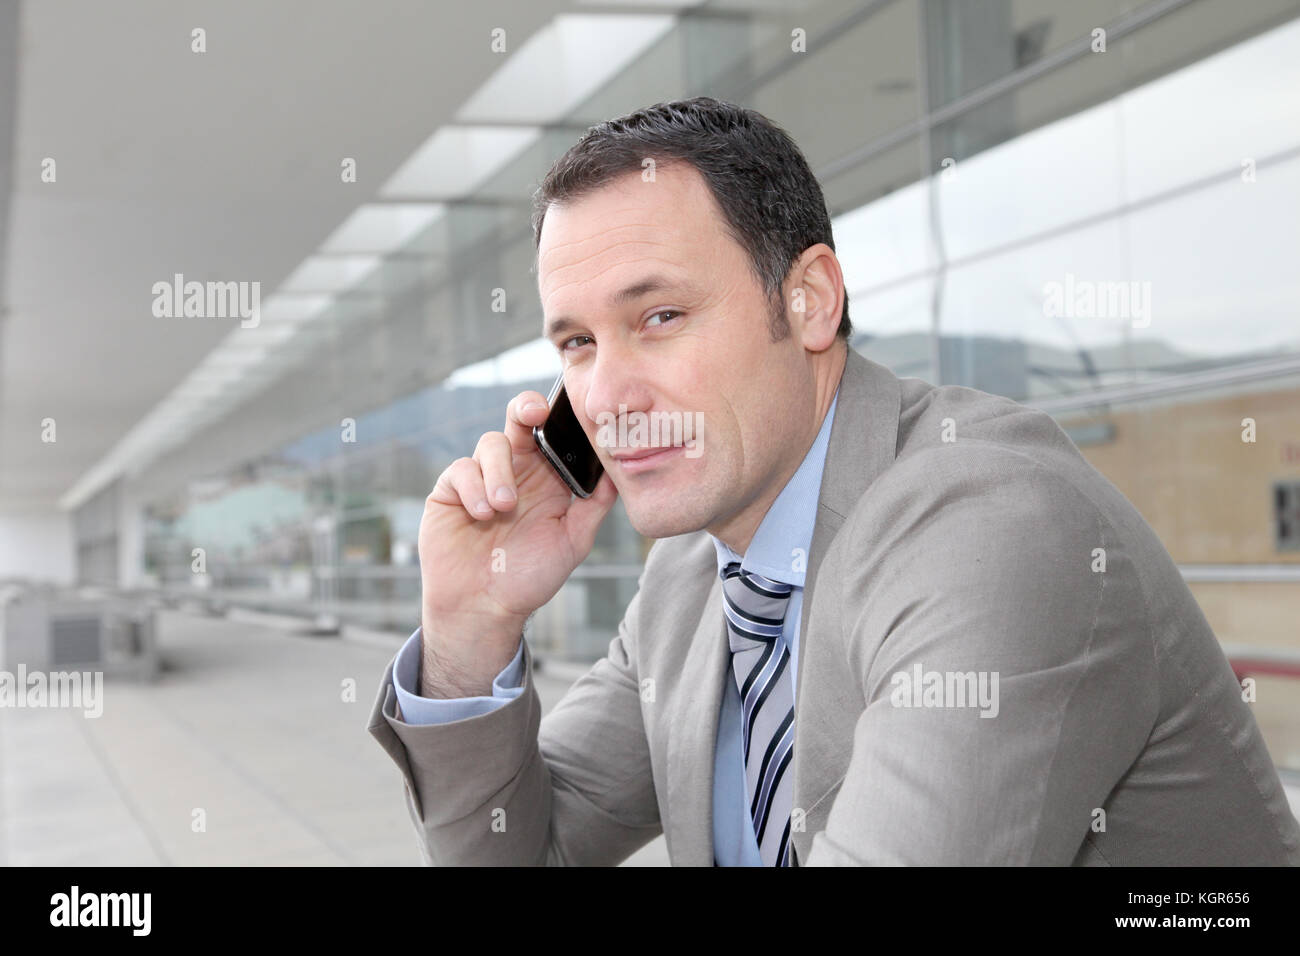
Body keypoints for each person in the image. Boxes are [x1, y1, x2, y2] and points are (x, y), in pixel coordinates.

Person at [367, 96, 1300, 865]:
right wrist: (469, 633)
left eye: (659, 316)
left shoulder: (994, 526)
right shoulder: (693, 578)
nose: (606, 395)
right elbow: (529, 851)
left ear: (809, 300)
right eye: (576, 342)